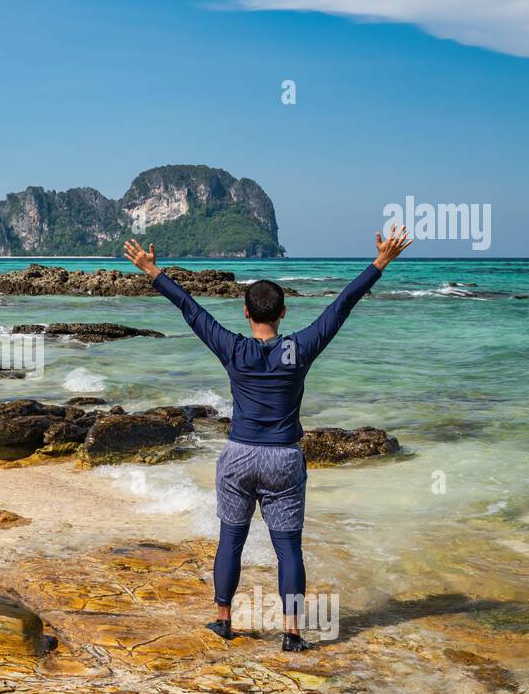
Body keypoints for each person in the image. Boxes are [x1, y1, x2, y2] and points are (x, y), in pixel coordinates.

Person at [123, 226, 412, 650]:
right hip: (283, 459)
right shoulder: (300, 349)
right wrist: (381, 263)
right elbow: (341, 306)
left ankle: (223, 620)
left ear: (245, 312)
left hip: (239, 456)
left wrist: (153, 271)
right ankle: (292, 634)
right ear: (283, 314)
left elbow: (190, 309)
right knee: (288, 549)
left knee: (231, 541)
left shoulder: (233, 348)